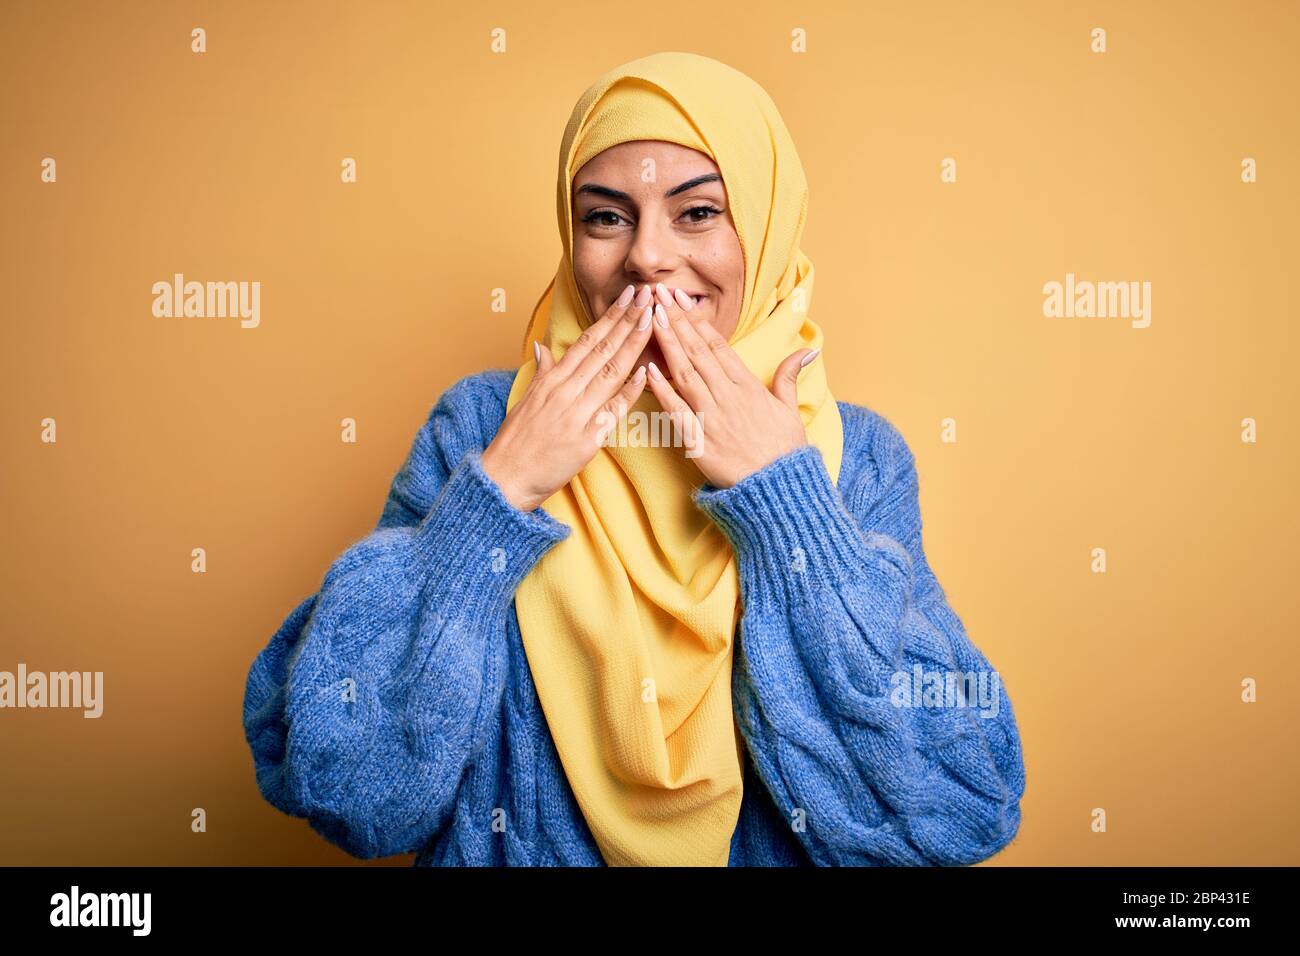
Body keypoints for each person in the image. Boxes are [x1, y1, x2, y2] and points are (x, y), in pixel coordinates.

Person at [242, 51, 1026, 867]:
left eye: (696, 214)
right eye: (606, 217)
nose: (647, 256)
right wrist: (496, 499)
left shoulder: (853, 458)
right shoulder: (481, 428)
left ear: (763, 226)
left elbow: (956, 810)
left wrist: (786, 501)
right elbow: (344, 788)